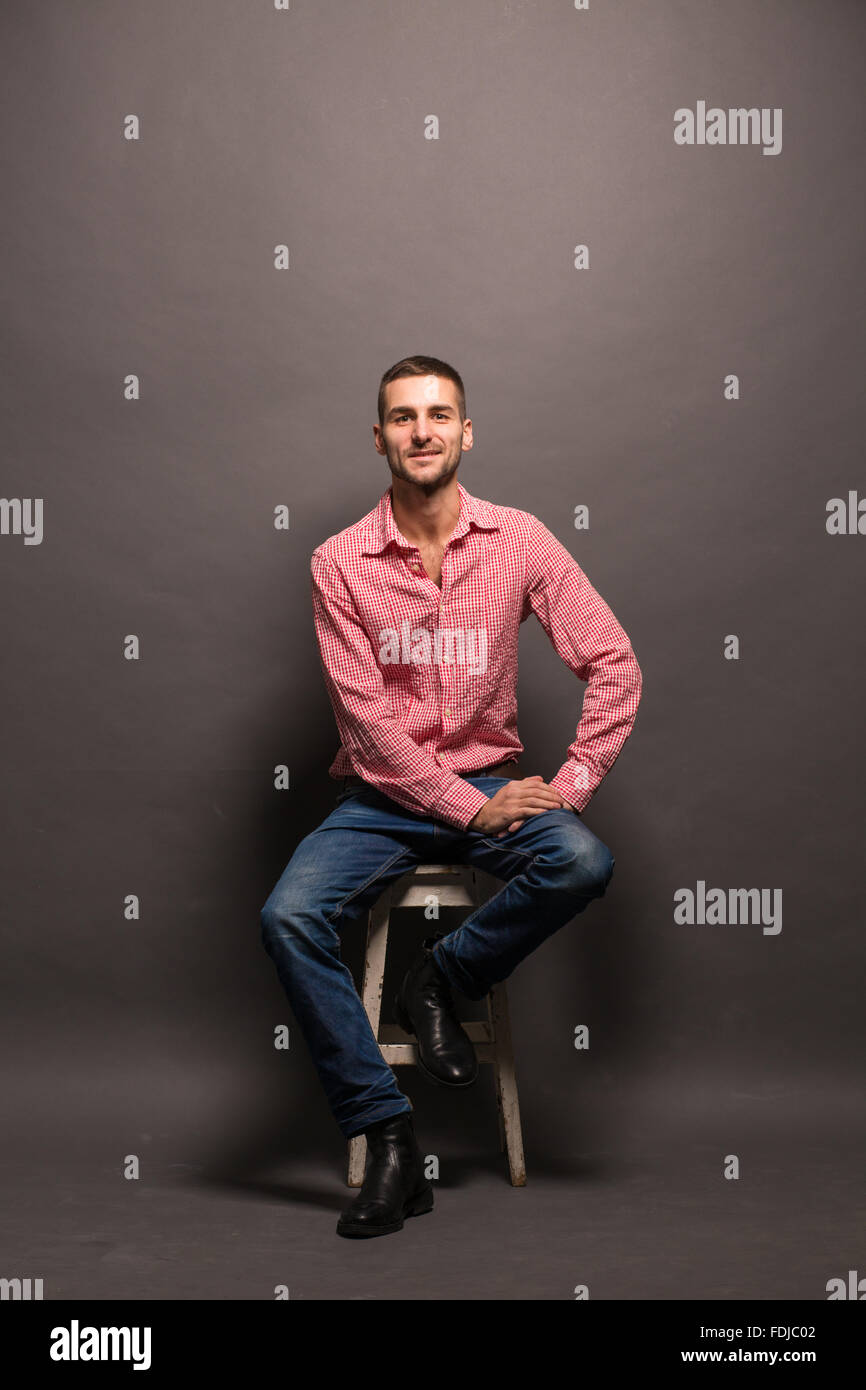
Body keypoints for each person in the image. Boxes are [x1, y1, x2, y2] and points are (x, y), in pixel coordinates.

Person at [260, 354, 642, 1239]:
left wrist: (570, 783)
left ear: (467, 431)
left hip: (489, 777)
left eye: (439, 415)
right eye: (403, 417)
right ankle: (388, 1135)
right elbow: (368, 726)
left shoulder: (521, 541)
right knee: (288, 917)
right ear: (380, 436)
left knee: (582, 861)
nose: (422, 431)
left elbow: (612, 661)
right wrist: (465, 809)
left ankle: (444, 976)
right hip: (382, 794)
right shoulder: (340, 562)